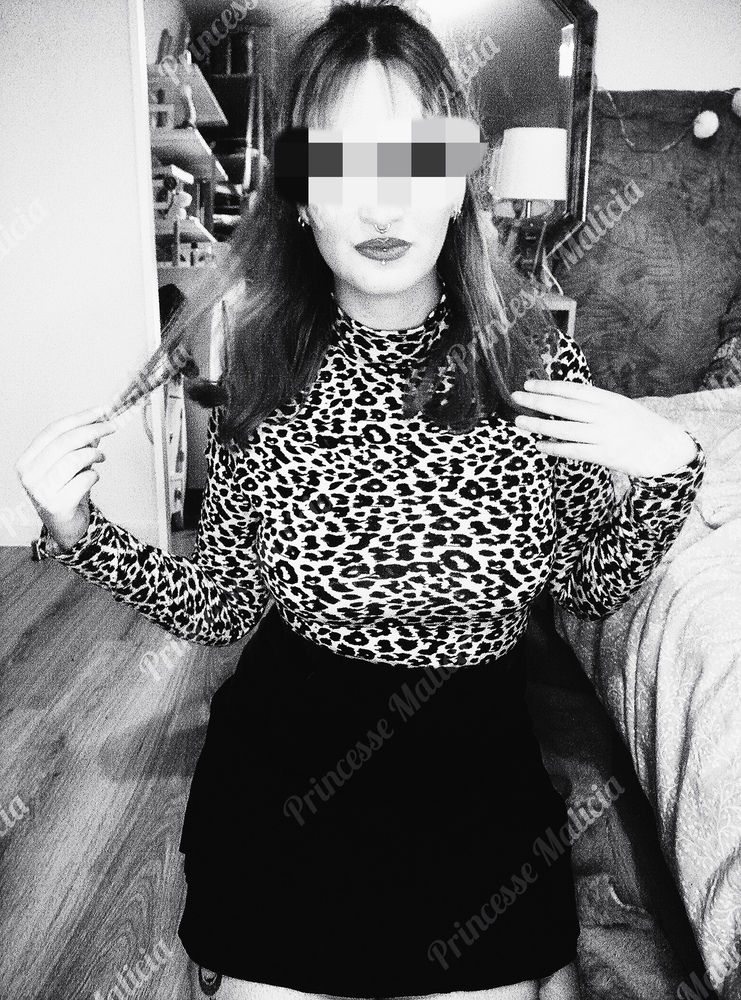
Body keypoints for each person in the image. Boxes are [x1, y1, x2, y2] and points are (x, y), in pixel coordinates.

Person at [16, 3, 706, 1000]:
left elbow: (588, 585)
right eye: (341, 165)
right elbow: (222, 604)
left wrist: (666, 472)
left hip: (473, 780)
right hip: (293, 771)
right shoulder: (264, 373)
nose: (382, 203)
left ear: (458, 186)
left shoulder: (529, 362)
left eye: (418, 161)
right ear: (301, 198)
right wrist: (76, 528)